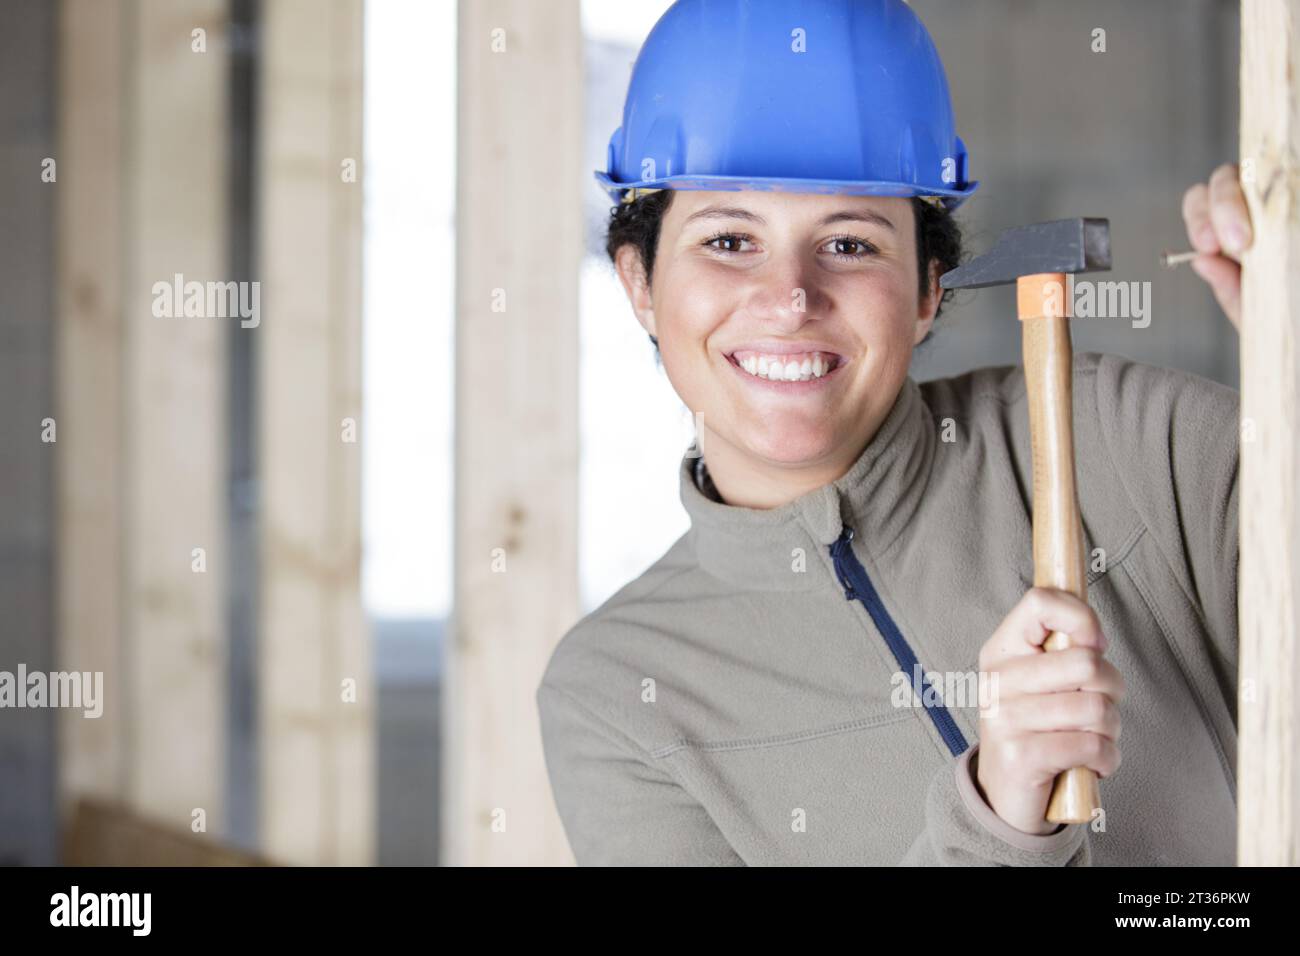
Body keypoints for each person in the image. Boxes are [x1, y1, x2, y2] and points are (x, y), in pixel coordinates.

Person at [536, 0, 1250, 865]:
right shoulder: (616, 693)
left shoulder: (1129, 442)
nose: (790, 298)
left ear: (927, 288)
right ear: (640, 283)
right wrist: (995, 822)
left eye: (848, 244)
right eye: (729, 239)